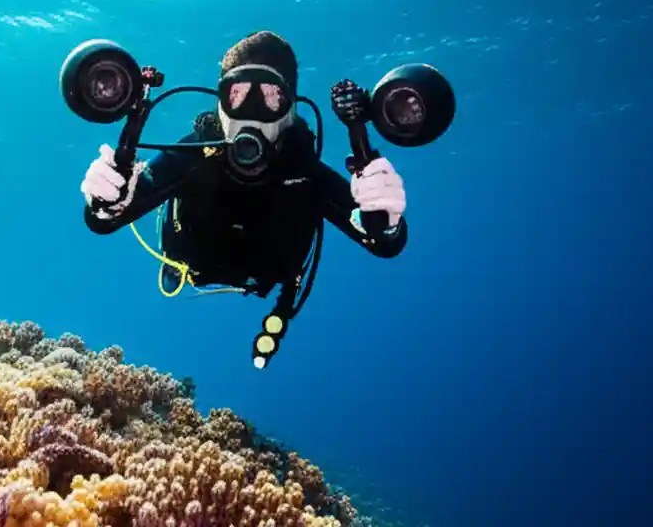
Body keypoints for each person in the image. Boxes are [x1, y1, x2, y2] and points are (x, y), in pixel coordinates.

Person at [78, 30, 408, 368]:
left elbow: (383, 242)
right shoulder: (191, 156)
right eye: (237, 94)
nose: (251, 114)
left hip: (271, 277)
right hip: (190, 263)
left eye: (270, 96)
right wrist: (106, 199)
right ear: (219, 103)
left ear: (290, 109)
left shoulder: (304, 170)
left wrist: (384, 214)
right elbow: (104, 221)